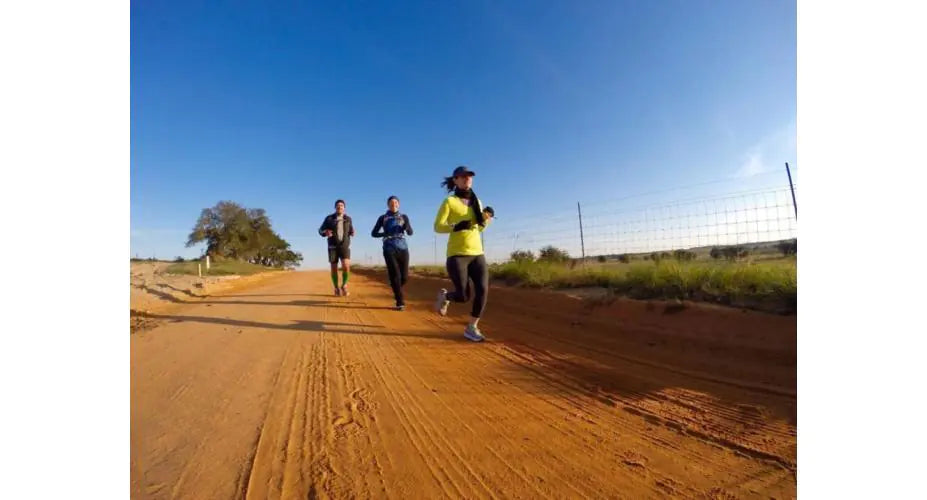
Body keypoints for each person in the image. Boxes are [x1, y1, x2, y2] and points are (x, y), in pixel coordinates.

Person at [432, 165, 494, 342]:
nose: (467, 178)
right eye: (463, 176)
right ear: (455, 180)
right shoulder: (449, 202)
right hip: (457, 255)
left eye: (469, 176)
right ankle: (446, 296)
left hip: (477, 253)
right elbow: (437, 226)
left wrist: (487, 218)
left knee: (483, 290)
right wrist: (455, 226)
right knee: (464, 296)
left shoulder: (477, 201)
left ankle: (472, 327)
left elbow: (479, 227)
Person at [371, 196, 414, 310]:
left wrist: (406, 226)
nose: (393, 204)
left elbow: (410, 233)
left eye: (395, 202)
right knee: (395, 274)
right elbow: (373, 233)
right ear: (388, 205)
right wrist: (384, 234)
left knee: (404, 277)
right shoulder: (383, 218)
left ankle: (395, 286)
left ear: (398, 204)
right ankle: (400, 302)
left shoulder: (404, 217)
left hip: (403, 248)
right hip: (389, 248)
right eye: (391, 202)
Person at [318, 199, 355, 296]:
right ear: (335, 207)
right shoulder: (329, 218)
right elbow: (320, 230)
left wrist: (352, 232)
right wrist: (325, 233)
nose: (340, 207)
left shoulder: (348, 219)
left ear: (344, 208)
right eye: (338, 205)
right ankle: (336, 288)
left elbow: (351, 230)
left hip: (344, 246)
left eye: (342, 205)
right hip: (332, 246)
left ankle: (344, 285)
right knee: (334, 268)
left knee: (346, 266)